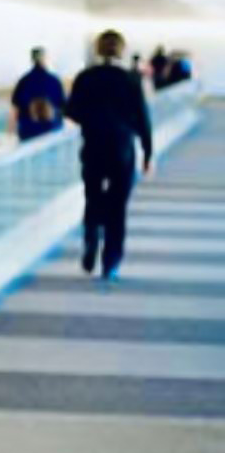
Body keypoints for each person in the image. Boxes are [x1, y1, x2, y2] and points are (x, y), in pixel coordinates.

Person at [65, 29, 154, 281]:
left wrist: (91, 120)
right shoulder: (130, 79)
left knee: (93, 197)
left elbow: (71, 111)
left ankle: (92, 239)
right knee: (118, 207)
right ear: (121, 50)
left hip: (92, 146)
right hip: (122, 149)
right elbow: (143, 118)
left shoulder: (85, 77)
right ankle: (111, 261)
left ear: (98, 49)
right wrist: (148, 152)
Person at [10, 47, 66, 141]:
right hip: (52, 132)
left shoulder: (24, 81)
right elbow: (62, 106)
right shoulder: (54, 81)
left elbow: (16, 107)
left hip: (28, 133)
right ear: (45, 58)